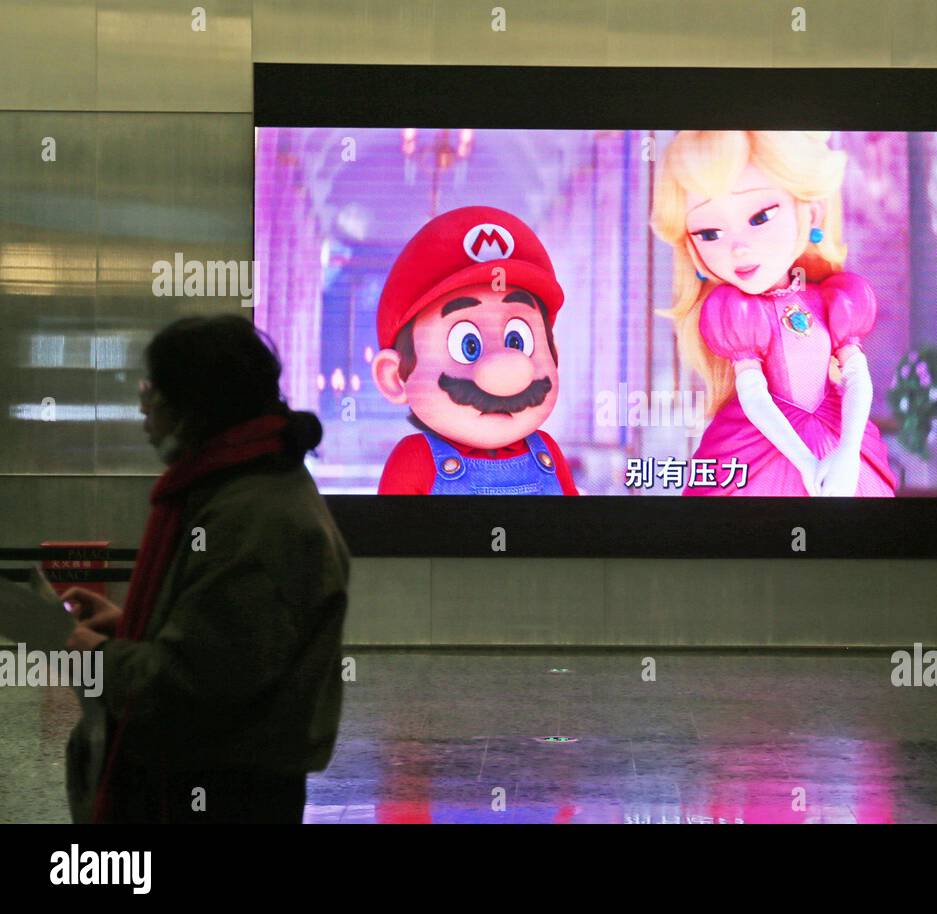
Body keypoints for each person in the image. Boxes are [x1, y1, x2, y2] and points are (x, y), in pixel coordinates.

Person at [62, 314, 350, 824]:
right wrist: (131, 626)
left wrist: (101, 658)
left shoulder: (256, 517)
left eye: (152, 391)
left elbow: (198, 684)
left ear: (195, 406)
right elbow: (218, 633)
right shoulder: (235, 488)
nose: (142, 408)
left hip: (220, 792)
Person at [650, 130, 897, 497]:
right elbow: (754, 398)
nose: (738, 248)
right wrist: (807, 463)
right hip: (762, 446)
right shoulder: (736, 316)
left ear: (812, 213)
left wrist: (846, 453)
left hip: (838, 439)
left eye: (760, 216)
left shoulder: (835, 299)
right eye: (709, 233)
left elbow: (857, 380)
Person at [370, 205, 578, 495]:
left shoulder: (548, 453)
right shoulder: (416, 462)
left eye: (518, 341)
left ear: (554, 355)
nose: (507, 368)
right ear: (394, 377)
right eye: (468, 346)